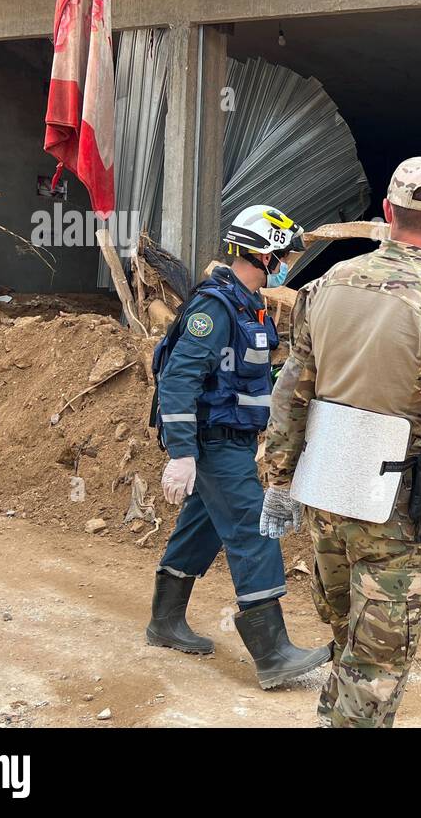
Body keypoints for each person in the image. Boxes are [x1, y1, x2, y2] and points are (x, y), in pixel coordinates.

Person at [259, 156, 421, 728]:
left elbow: (290, 393)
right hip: (391, 505)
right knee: (377, 665)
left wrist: (278, 483)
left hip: (325, 487)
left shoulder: (322, 288)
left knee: (348, 641)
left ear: (387, 212)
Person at [146, 204, 331, 690]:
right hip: (212, 443)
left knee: (202, 527)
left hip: (231, 437)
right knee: (254, 529)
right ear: (265, 254)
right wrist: (182, 453)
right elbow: (179, 379)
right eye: (284, 254)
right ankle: (273, 654)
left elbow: (241, 376)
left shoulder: (249, 304)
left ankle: (165, 622)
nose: (288, 262)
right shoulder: (215, 307)